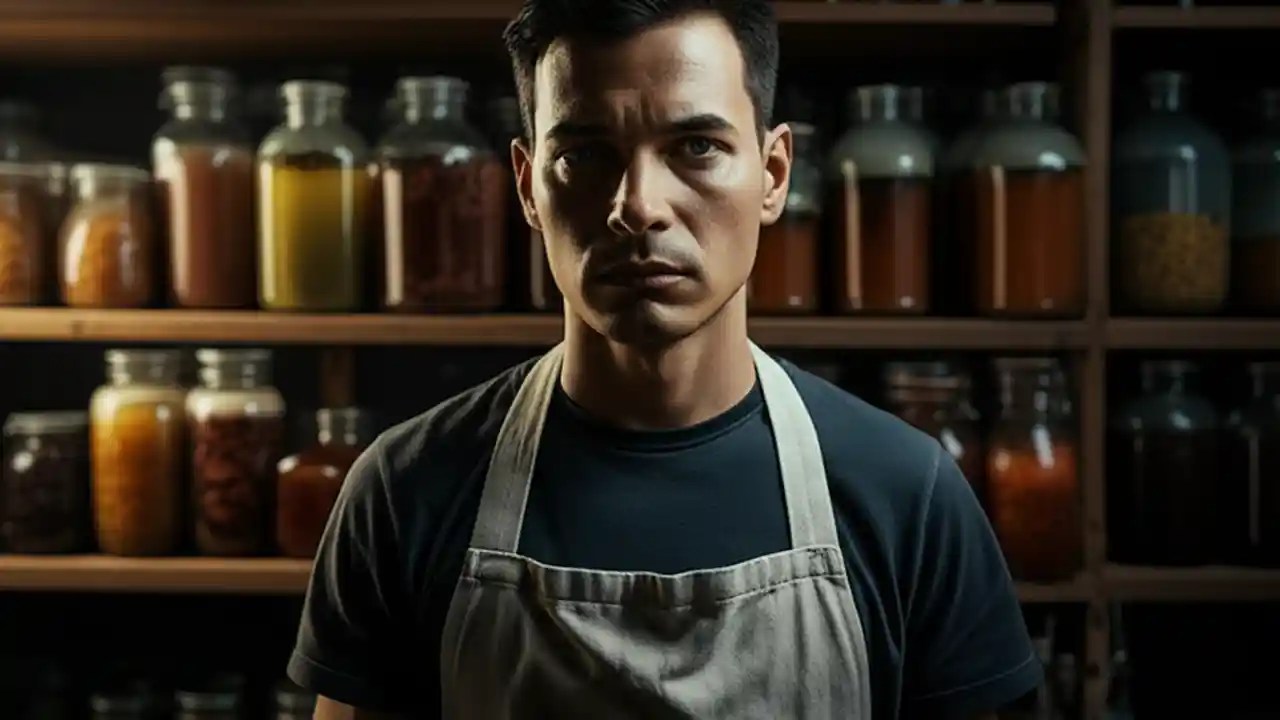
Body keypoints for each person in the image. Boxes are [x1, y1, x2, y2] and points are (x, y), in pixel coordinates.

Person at [288, 1, 1041, 717]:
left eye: (696, 147)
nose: (638, 204)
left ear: (774, 174)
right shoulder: (403, 492)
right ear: (527, 187)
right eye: (585, 154)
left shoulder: (910, 498)